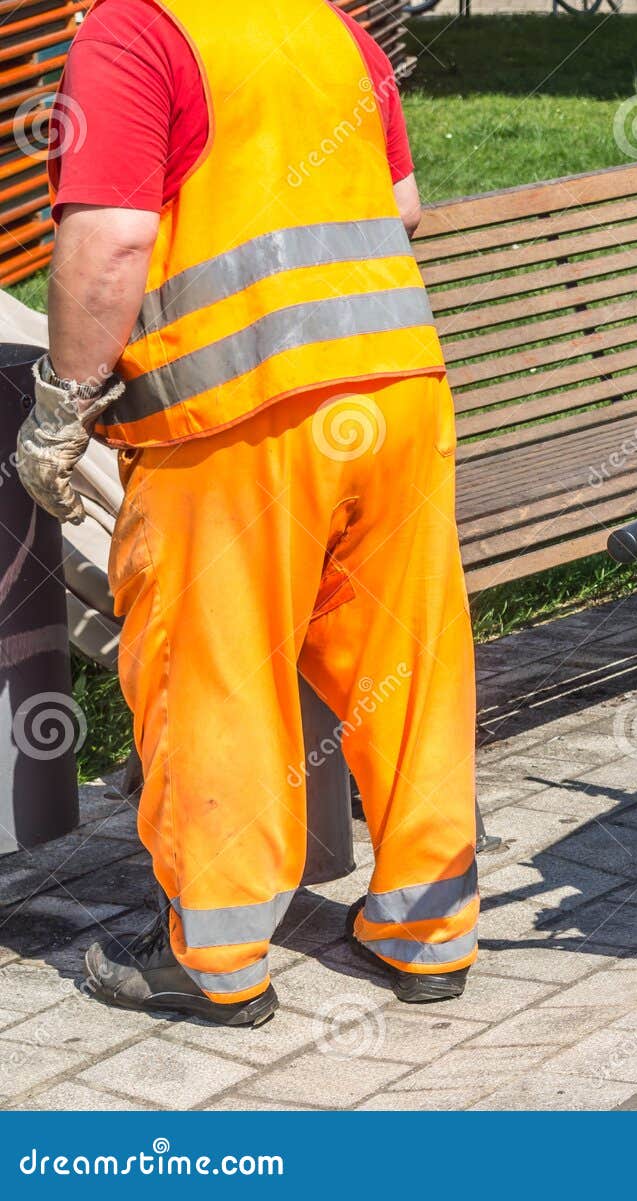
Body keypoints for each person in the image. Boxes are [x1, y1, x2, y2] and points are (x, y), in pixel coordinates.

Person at [16, 0, 479, 1028]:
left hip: (238, 416)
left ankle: (216, 957)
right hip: (394, 390)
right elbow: (399, 206)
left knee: (213, 668)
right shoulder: (329, 28)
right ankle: (427, 928)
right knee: (407, 664)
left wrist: (63, 404)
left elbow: (110, 242)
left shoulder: (133, 34)